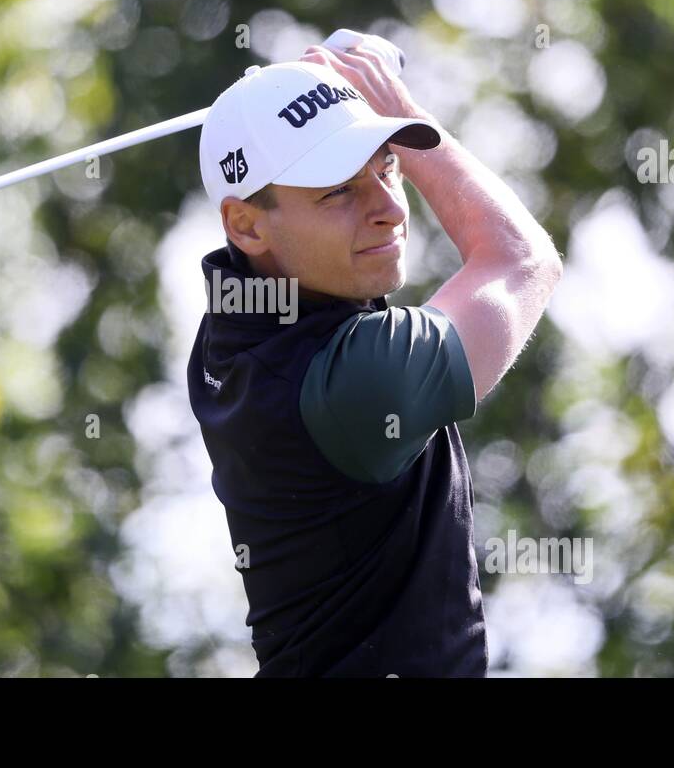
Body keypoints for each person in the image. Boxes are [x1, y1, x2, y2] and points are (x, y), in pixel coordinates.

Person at [187, 39, 562, 677]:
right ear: (246, 226)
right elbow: (521, 260)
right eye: (338, 191)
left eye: (388, 167)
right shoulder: (362, 382)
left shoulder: (230, 331)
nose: (389, 209)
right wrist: (403, 111)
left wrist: (304, 108)